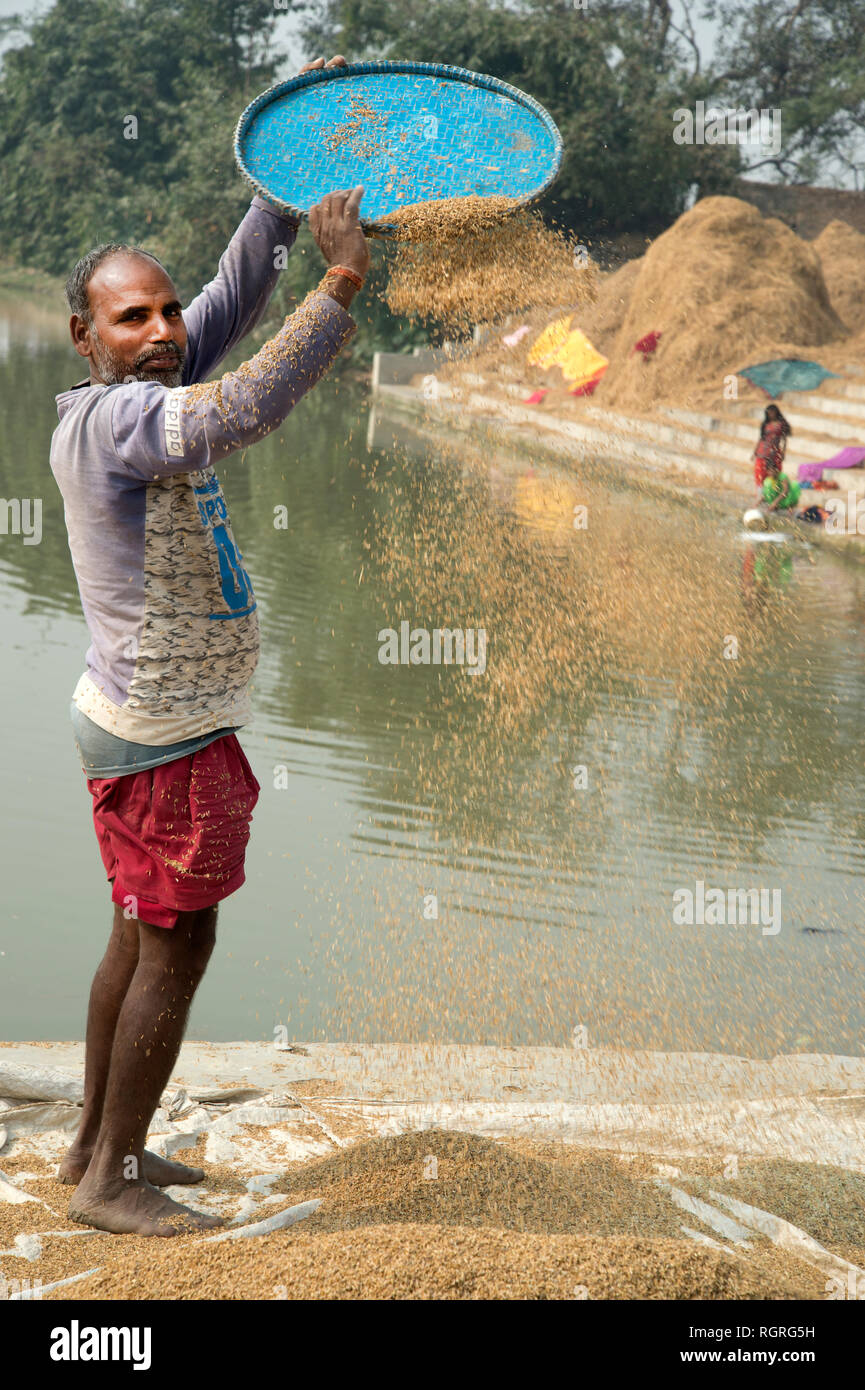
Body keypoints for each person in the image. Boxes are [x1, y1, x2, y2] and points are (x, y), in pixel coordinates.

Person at [49, 55, 370, 1238]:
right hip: (163, 741)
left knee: (139, 932)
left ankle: (95, 1140)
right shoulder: (119, 416)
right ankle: (109, 1183)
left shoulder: (153, 371)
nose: (164, 329)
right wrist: (338, 283)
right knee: (178, 944)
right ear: (84, 336)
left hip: (153, 727)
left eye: (167, 308)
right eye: (133, 316)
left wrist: (277, 185)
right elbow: (246, 403)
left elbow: (234, 303)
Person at [753, 403, 791, 490]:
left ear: (776, 412)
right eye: (769, 413)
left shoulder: (781, 424)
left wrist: (783, 452)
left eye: (772, 412)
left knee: (774, 474)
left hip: (774, 453)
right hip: (762, 453)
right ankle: (761, 494)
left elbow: (784, 439)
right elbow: (761, 438)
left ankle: (773, 494)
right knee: (760, 473)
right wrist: (755, 451)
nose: (771, 415)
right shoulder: (766, 424)